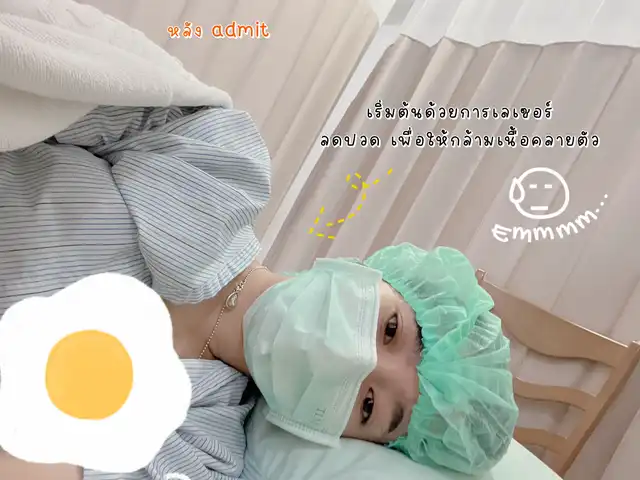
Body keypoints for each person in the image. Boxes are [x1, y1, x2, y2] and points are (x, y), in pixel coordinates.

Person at [0, 103, 519, 480]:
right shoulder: (219, 167)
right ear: (379, 274)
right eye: (389, 329)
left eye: (368, 406)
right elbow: (43, 84)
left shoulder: (198, 446)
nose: (354, 359)